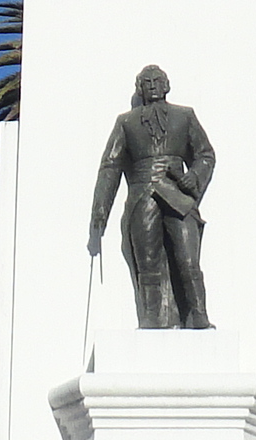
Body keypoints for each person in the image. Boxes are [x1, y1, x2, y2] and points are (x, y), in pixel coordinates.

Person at [90, 63, 218, 330]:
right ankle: (151, 318)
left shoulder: (185, 116)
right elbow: (111, 166)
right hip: (141, 194)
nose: (152, 86)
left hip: (177, 194)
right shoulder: (125, 122)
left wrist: (192, 179)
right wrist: (100, 211)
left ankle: (198, 314)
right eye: (146, 82)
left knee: (188, 260)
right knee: (147, 261)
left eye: (157, 81)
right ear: (140, 88)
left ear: (166, 85)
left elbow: (205, 154)